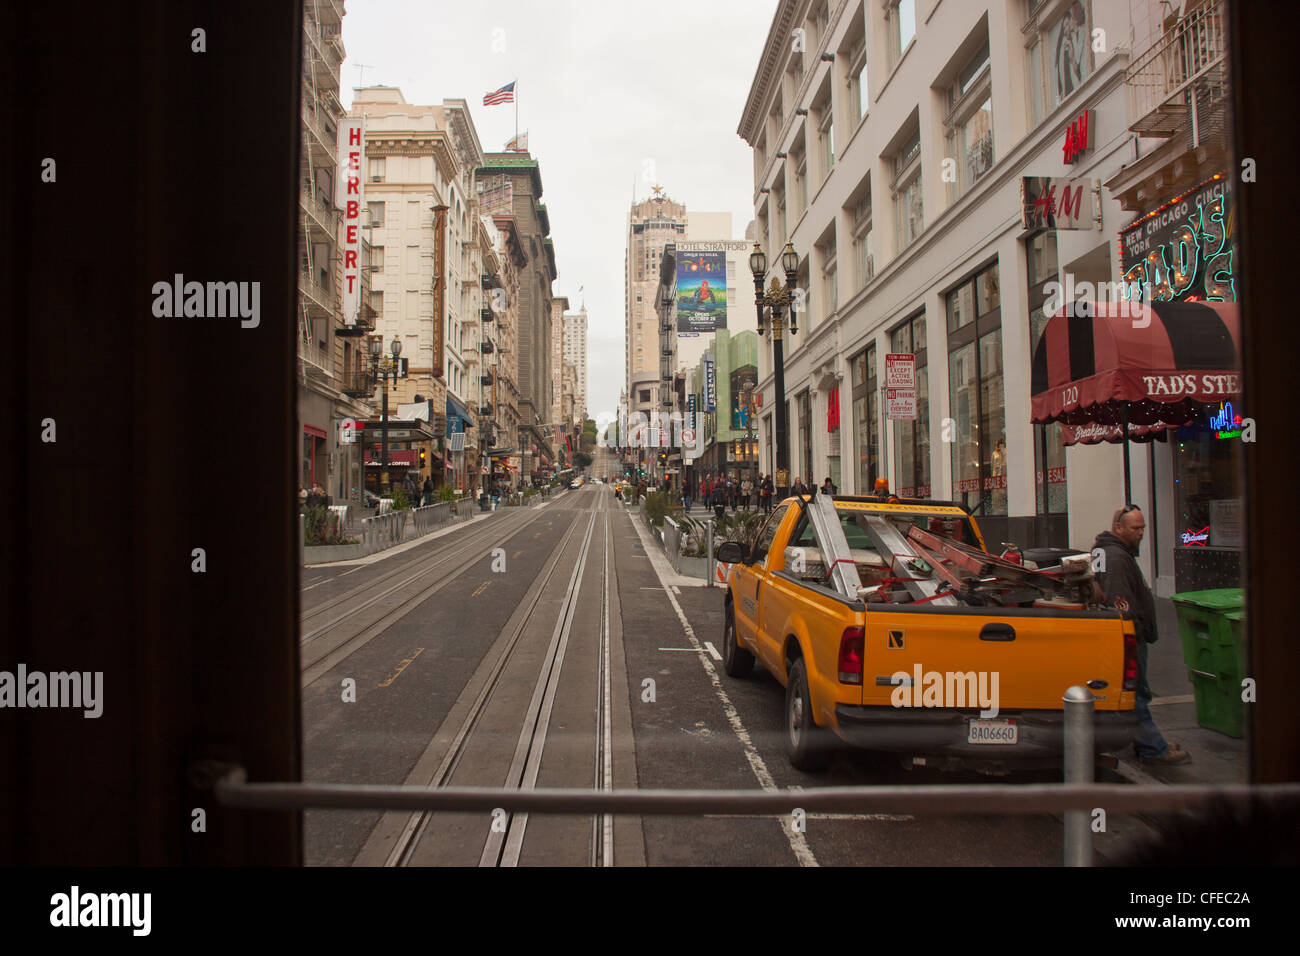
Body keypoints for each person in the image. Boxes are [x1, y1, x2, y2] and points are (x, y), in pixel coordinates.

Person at [1094, 505, 1190, 765]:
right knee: (1136, 694)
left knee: (1136, 694)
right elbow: (1118, 601)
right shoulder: (1115, 557)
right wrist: (1130, 634)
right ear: (1119, 528)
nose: (1141, 533)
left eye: (1143, 528)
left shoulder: (1116, 553)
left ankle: (1148, 742)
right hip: (1129, 636)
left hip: (1130, 635)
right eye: (1135, 528)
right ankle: (1153, 748)